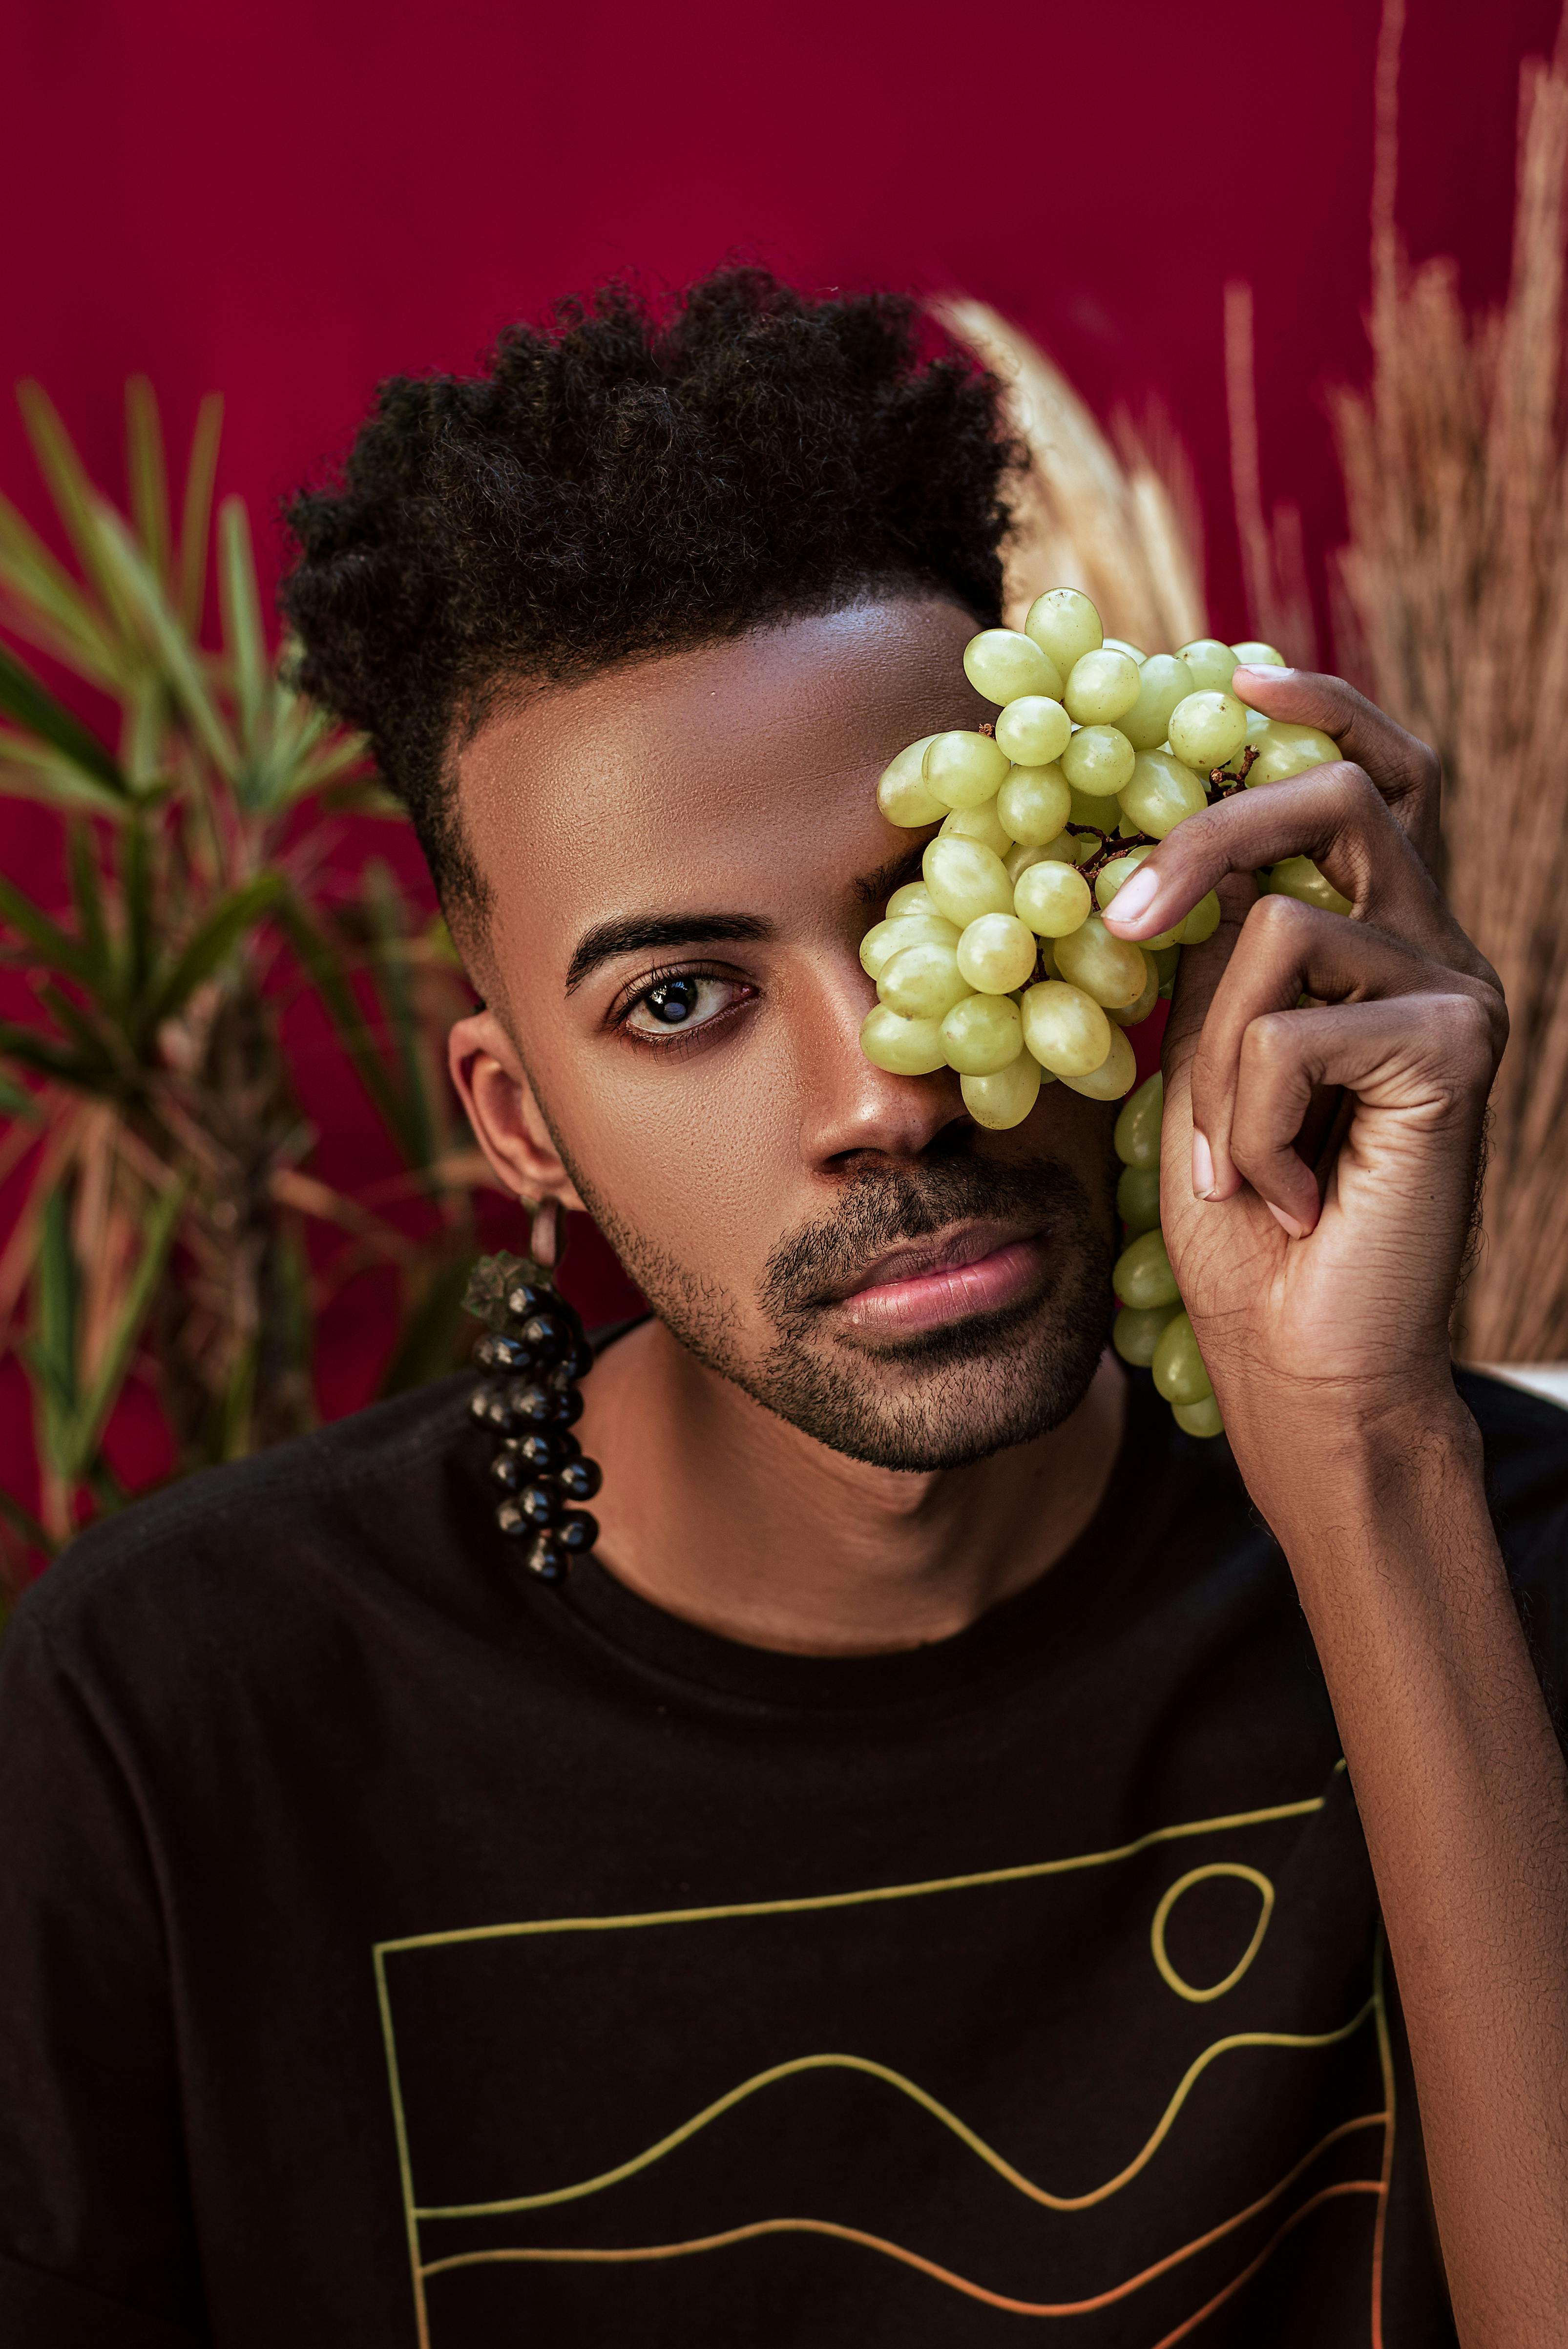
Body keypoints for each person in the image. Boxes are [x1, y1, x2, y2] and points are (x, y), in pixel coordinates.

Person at [0, 269, 1565, 2349]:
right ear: (520, 1120)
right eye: (678, 1001)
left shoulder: (1496, 1556)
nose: (885, 1090)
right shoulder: (166, 1724)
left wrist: (1367, 1462)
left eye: (922, 914)